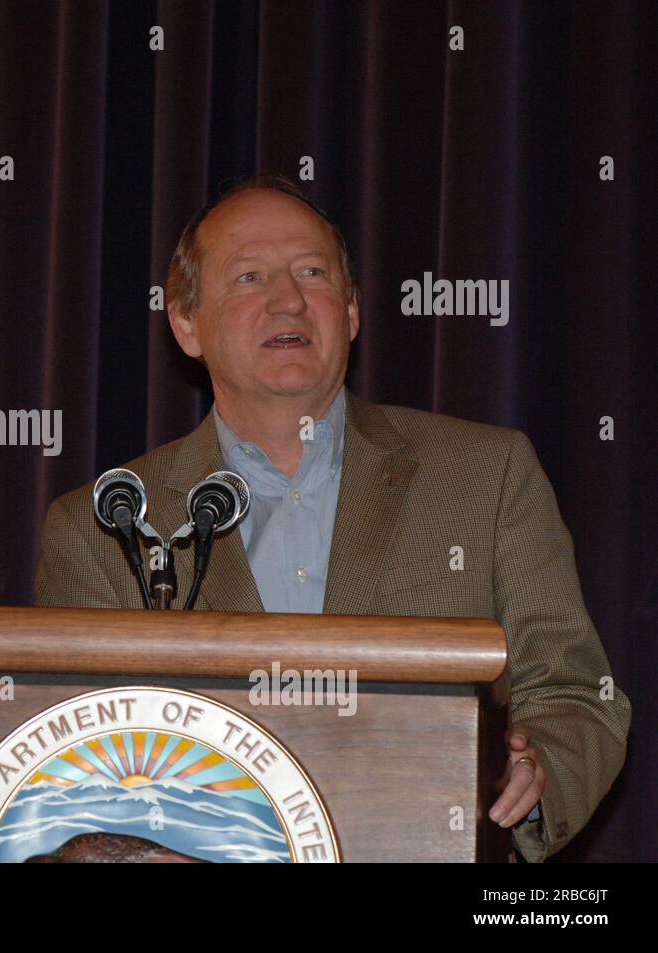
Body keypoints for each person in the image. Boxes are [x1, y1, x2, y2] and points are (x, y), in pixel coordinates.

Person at [34, 176, 630, 861]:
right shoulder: (105, 524)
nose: (288, 298)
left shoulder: (485, 474)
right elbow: (77, 764)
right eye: (250, 276)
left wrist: (541, 767)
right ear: (185, 323)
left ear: (349, 311)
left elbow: (576, 691)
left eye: (312, 273)